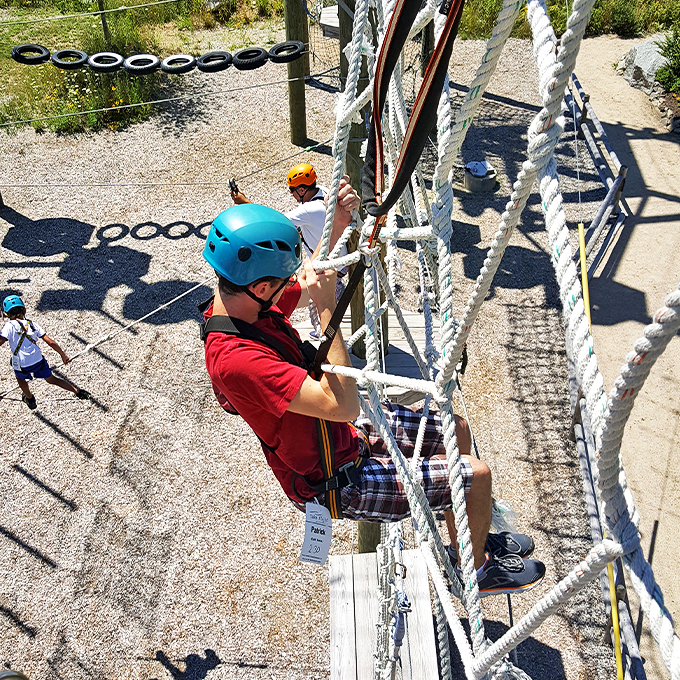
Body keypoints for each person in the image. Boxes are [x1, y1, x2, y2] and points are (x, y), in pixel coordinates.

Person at [200, 204, 545, 597]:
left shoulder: (242, 305)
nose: (290, 282)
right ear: (262, 288)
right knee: (474, 475)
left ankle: (466, 543)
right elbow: (343, 404)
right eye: (283, 278)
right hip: (333, 479)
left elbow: (302, 281)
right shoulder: (237, 360)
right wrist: (327, 306)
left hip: (340, 437)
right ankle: (475, 573)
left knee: (457, 430)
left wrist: (338, 226)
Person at [231, 163, 349, 263]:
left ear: (302, 190)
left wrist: (245, 202)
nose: (291, 193)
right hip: (338, 256)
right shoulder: (321, 190)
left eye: (292, 190)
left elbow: (273, 221)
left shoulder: (309, 210)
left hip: (333, 267)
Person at [1, 295, 90, 409]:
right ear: (23, 309)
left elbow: (1, 340)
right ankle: (78, 392)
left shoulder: (8, 326)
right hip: (37, 360)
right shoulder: (31, 324)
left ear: (7, 314)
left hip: (22, 363)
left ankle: (29, 398)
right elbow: (51, 342)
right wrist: (63, 355)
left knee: (20, 378)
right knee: (52, 379)